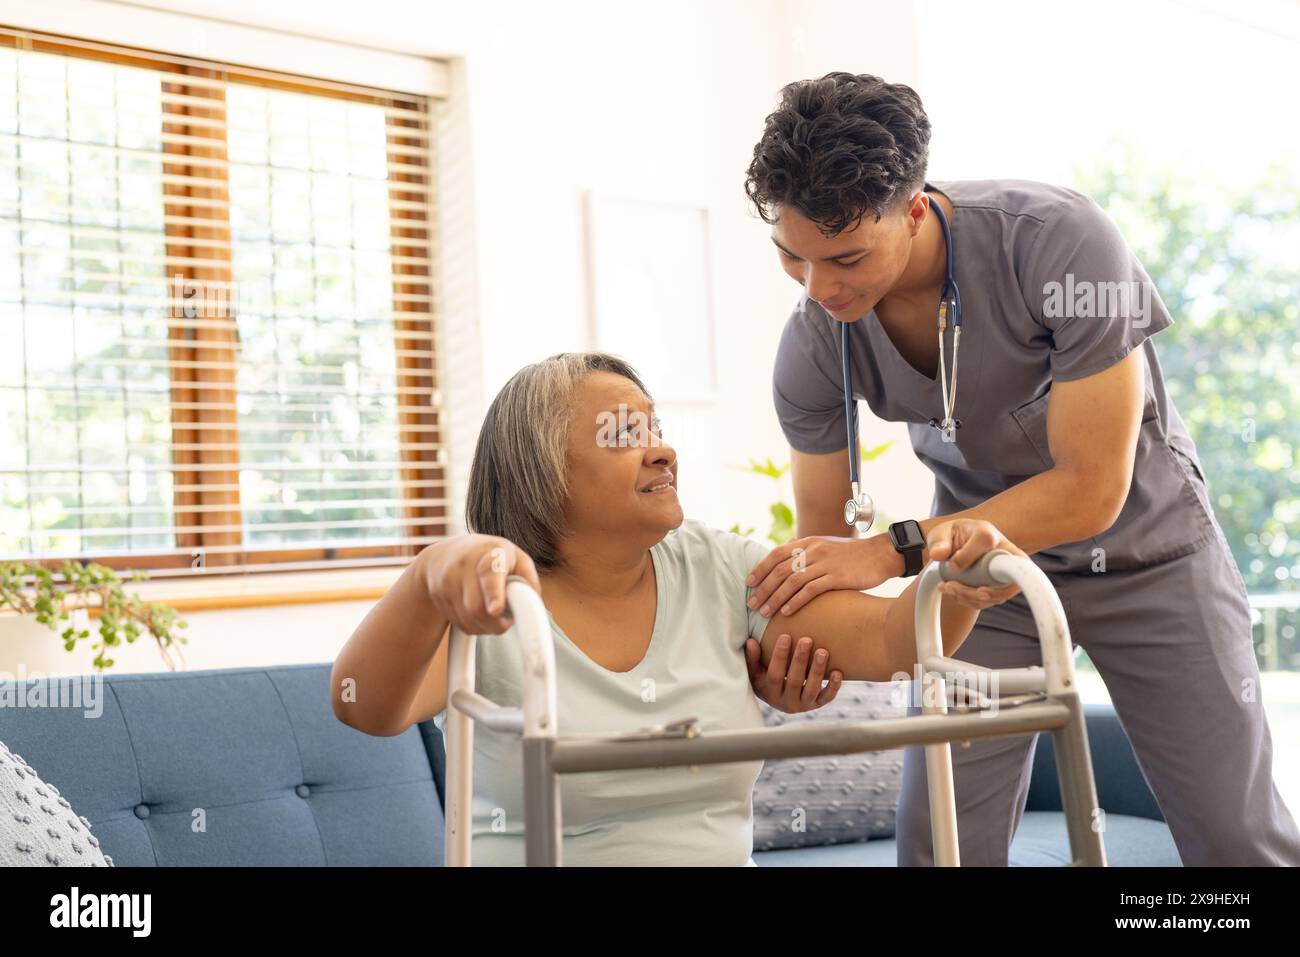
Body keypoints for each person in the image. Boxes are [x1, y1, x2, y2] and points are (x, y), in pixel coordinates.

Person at [741, 71, 1300, 865]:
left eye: (846, 257)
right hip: (977, 584)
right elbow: (824, 558)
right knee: (939, 846)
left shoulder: (1061, 241)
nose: (819, 287)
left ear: (914, 206)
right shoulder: (811, 347)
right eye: (791, 256)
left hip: (1149, 556)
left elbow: (1090, 486)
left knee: (1236, 841)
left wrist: (890, 550)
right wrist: (803, 657)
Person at [331, 351, 1025, 865]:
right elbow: (364, 705)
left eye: (655, 428)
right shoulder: (490, 596)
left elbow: (888, 641)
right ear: (540, 471)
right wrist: (426, 576)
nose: (662, 449)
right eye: (623, 434)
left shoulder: (720, 566)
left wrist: (955, 587)